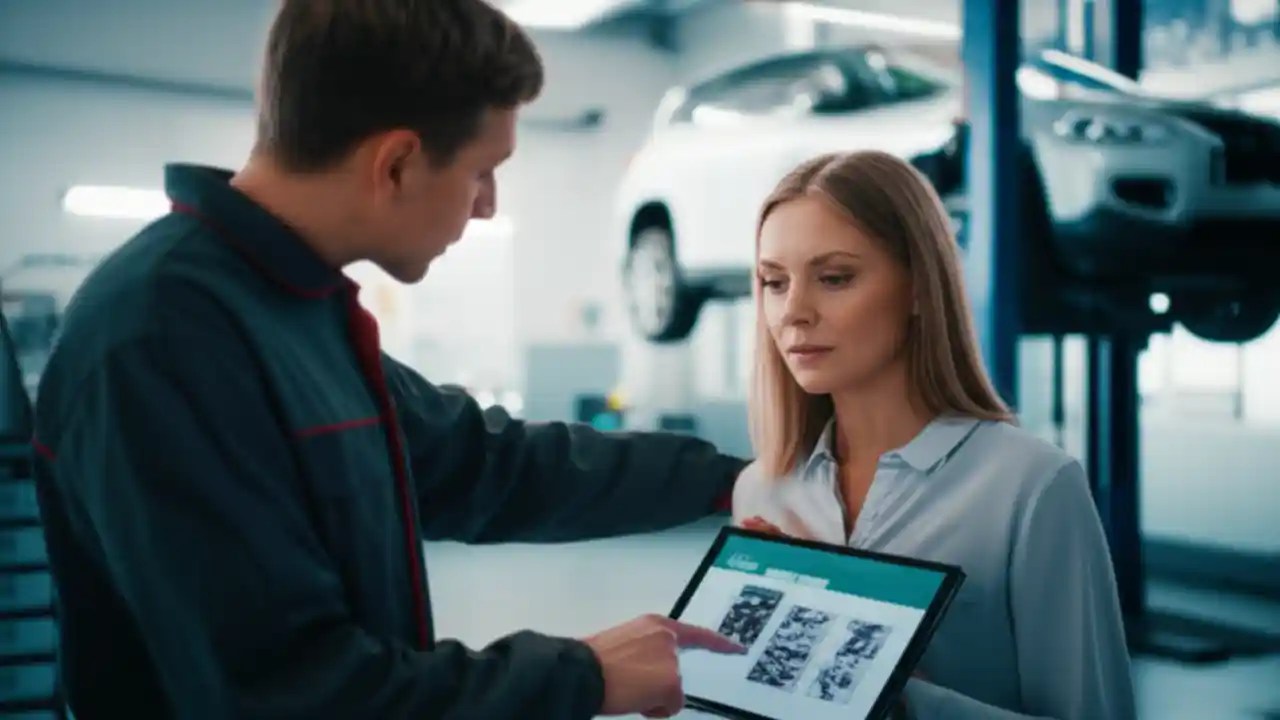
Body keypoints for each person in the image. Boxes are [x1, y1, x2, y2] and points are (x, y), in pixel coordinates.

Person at [29, 1, 750, 718]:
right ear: (398, 163)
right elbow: (293, 696)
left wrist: (731, 484)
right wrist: (582, 676)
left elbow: (485, 464)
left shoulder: (293, 306)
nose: (488, 208)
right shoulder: (165, 338)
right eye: (483, 171)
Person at [732, 150, 1137, 719]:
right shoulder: (762, 490)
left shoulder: (1031, 487)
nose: (793, 312)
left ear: (920, 287)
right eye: (774, 282)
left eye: (834, 278)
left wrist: (893, 697)